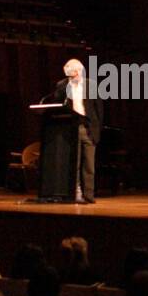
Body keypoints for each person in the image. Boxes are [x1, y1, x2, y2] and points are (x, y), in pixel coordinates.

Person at [50, 58, 103, 204]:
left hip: (88, 129)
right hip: (71, 128)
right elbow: (57, 106)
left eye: (78, 71)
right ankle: (76, 194)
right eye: (72, 73)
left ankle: (89, 195)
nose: (76, 74)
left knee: (89, 165)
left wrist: (97, 130)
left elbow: (99, 109)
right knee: (74, 165)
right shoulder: (62, 85)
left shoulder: (91, 85)